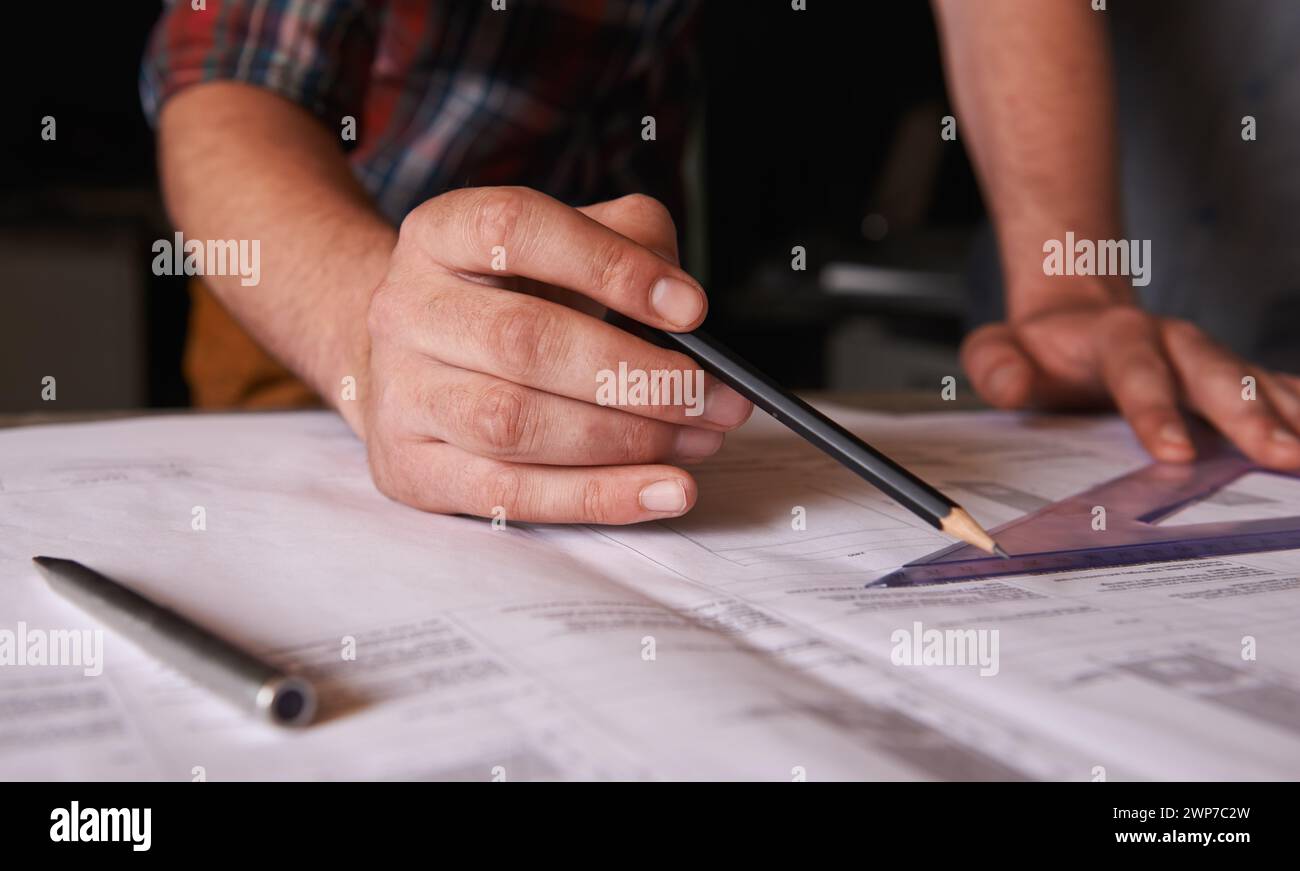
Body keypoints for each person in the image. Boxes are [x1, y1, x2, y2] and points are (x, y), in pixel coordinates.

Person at [141, 0, 1300, 526]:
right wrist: (362, 337)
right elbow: (231, 85)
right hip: (324, 277)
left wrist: (1067, 289)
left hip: (600, 313)